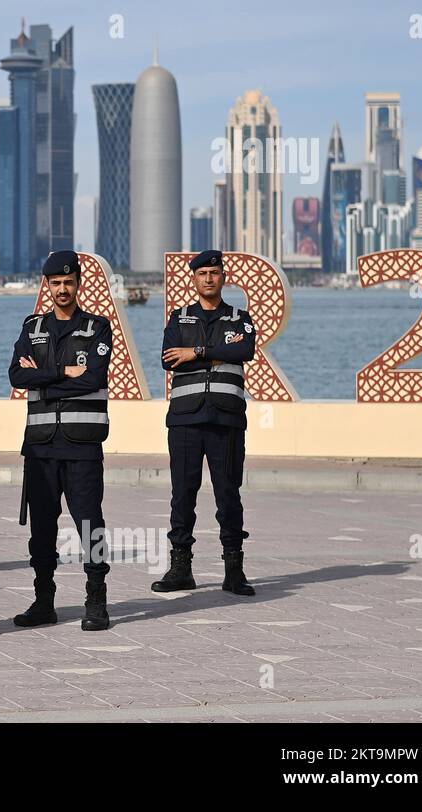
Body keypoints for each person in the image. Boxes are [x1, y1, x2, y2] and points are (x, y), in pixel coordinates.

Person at [7, 251, 113, 631]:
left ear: (79, 283)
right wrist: (65, 371)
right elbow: (17, 377)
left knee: (91, 525)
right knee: (42, 530)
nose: (63, 289)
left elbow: (93, 379)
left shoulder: (97, 327)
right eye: (56, 283)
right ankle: (43, 600)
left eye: (69, 282)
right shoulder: (32, 328)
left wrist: (45, 375)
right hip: (40, 448)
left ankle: (97, 599)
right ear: (46, 285)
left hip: (82, 445)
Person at [152, 250, 257, 597]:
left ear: (223, 277)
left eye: (214, 272)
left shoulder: (239, 318)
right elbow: (169, 358)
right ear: (194, 280)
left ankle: (234, 570)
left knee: (229, 494)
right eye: (203, 273)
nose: (209, 278)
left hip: (226, 419)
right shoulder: (178, 318)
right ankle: (181, 567)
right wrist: (213, 350)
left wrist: (195, 352)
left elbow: (244, 351)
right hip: (185, 420)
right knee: (182, 494)